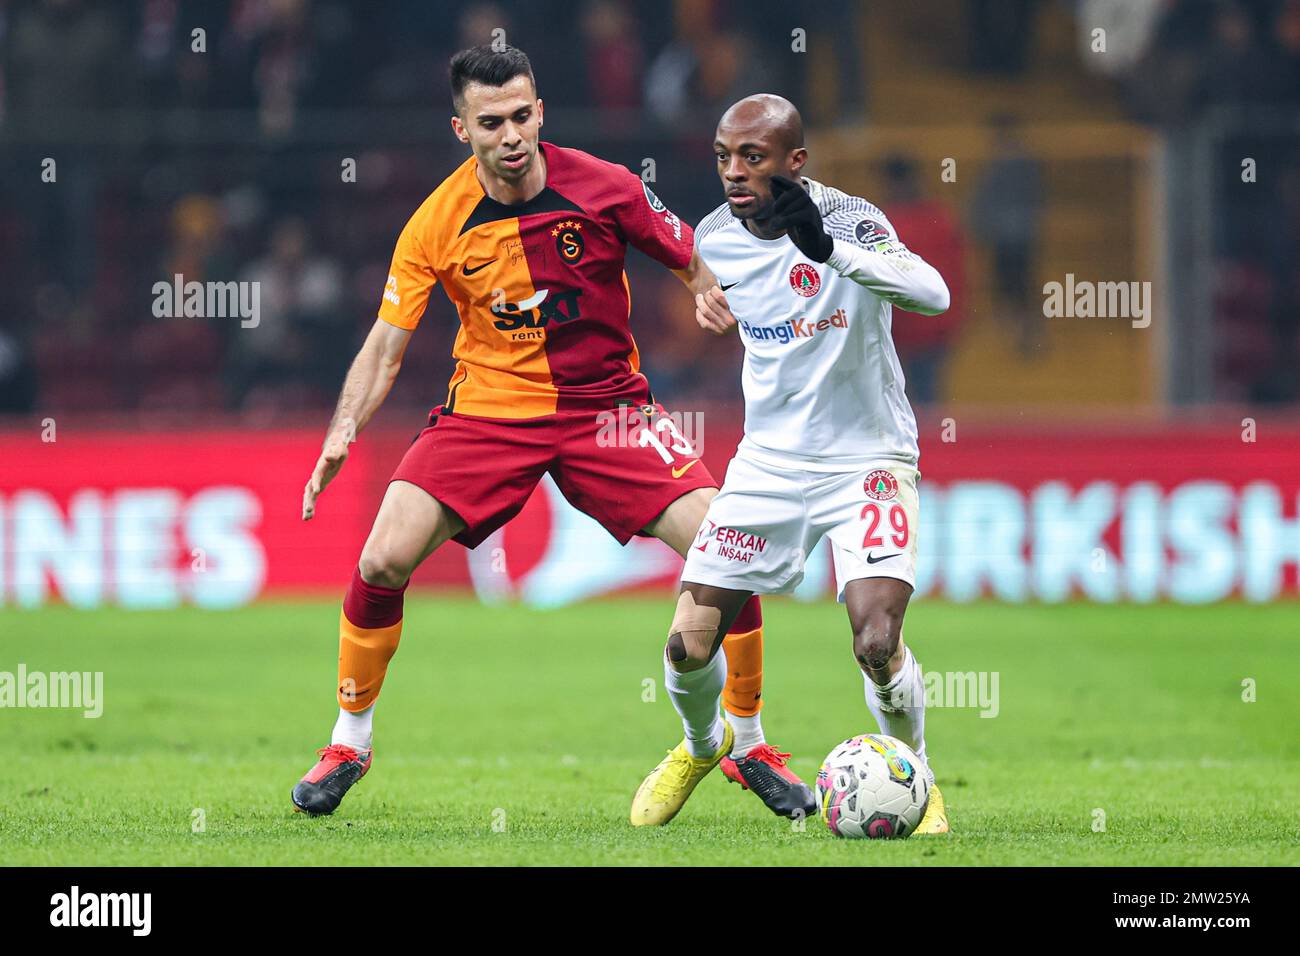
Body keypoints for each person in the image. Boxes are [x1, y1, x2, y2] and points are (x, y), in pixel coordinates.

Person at [291, 47, 815, 820]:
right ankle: (349, 742)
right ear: (462, 129)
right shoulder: (435, 223)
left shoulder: (607, 187)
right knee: (381, 558)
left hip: (607, 410)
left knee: (725, 549)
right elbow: (386, 344)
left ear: (540, 112)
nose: (510, 136)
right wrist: (343, 429)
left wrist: (708, 291)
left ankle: (747, 742)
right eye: (490, 123)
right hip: (489, 412)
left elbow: (689, 255)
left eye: (521, 116)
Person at [629, 94, 950, 832]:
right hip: (768, 465)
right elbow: (704, 291)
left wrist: (829, 251)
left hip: (868, 458)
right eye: (723, 157)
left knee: (876, 640)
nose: (733, 173)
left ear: (795, 162)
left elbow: (933, 294)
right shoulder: (715, 236)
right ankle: (703, 746)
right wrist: (706, 304)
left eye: (753, 158)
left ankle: (919, 776)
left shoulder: (851, 220)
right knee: (686, 646)